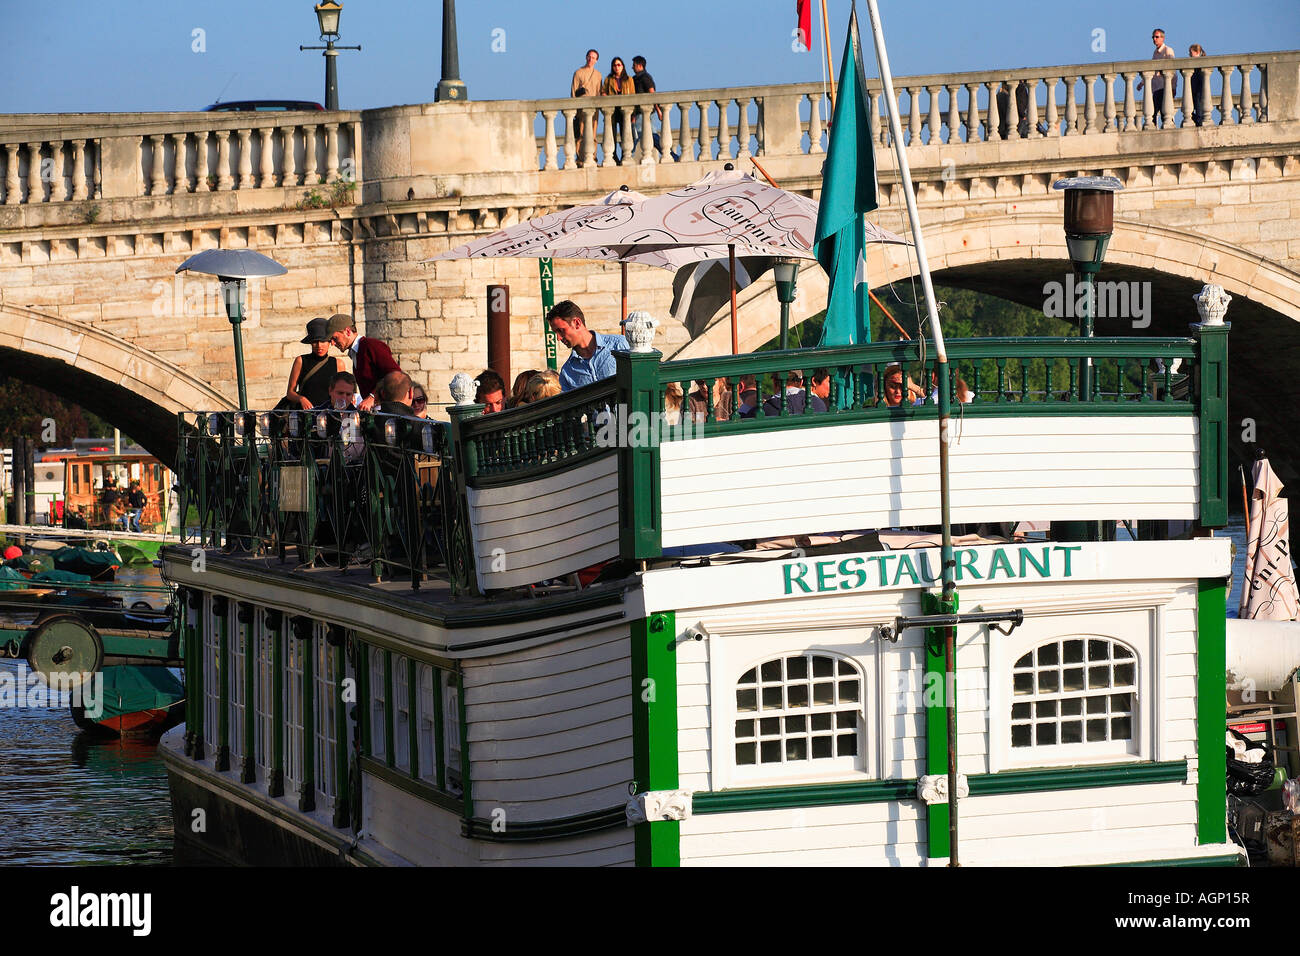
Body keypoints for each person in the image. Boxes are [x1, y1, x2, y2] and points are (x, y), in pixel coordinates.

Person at [546, 300, 630, 392]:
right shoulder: (567, 372)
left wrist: (623, 407)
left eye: (561, 330)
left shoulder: (619, 345)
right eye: (556, 333)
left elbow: (637, 381)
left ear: (577, 323)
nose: (558, 338)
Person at [326, 313, 401, 412]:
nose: (332, 343)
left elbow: (396, 376)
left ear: (348, 331)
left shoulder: (371, 345)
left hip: (388, 412)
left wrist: (372, 397)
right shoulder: (356, 352)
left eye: (335, 338)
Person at [285, 317, 344, 411]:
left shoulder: (338, 364)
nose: (319, 346)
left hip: (330, 415)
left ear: (330, 342)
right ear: (310, 343)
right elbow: (290, 393)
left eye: (323, 341)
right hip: (306, 415)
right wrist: (301, 399)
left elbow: (344, 392)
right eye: (315, 342)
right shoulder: (301, 361)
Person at [1137, 29, 1177, 127]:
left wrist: (1173, 87)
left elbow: (1173, 71)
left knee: (1161, 113)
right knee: (1154, 112)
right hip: (1156, 88)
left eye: (1157, 37)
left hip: (1164, 87)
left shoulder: (1168, 50)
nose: (1154, 39)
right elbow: (1152, 71)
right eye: (1153, 37)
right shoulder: (1155, 52)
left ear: (1162, 38)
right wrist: (1142, 83)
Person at [571, 49, 603, 167]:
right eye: (589, 57)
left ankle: (593, 157)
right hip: (581, 108)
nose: (591, 59)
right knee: (581, 134)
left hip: (594, 109)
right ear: (586, 57)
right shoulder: (578, 73)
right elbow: (573, 92)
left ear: (596, 60)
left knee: (593, 134)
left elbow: (599, 92)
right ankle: (580, 158)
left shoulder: (598, 74)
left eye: (593, 57)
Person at [602, 57, 635, 164]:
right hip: (612, 111)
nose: (617, 67)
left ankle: (624, 156)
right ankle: (614, 155)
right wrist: (604, 95)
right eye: (615, 65)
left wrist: (633, 114)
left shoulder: (629, 79)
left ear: (623, 66)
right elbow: (603, 91)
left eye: (619, 65)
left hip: (624, 111)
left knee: (624, 133)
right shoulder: (608, 79)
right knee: (612, 133)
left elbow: (633, 96)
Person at [630, 55, 663, 151]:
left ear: (640, 66)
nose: (632, 67)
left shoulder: (645, 78)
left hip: (643, 113)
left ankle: (627, 156)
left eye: (634, 65)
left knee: (637, 136)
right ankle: (672, 156)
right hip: (642, 113)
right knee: (651, 136)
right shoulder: (635, 78)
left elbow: (652, 94)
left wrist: (658, 111)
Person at [1189, 44, 1208, 127]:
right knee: (1192, 108)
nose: (1189, 55)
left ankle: (1199, 122)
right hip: (1194, 89)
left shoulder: (1200, 64)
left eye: (1191, 53)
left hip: (1198, 89)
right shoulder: (1195, 64)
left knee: (1198, 106)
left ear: (1197, 52)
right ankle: (1198, 120)